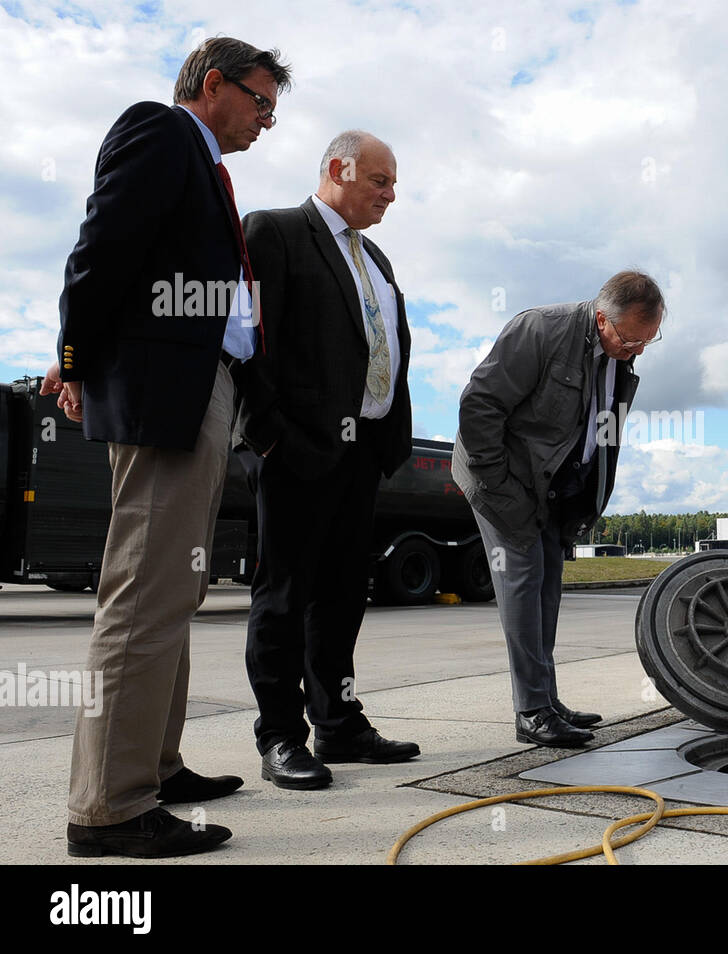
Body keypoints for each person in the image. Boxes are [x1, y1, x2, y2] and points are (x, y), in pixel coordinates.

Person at [41, 37, 291, 857]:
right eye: (260, 101)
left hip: (201, 388)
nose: (267, 119)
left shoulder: (205, 164)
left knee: (173, 589)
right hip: (164, 394)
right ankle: (108, 808)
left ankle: (156, 764)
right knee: (144, 593)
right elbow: (99, 251)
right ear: (212, 83)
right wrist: (75, 358)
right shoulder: (159, 130)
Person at [232, 131, 418, 790]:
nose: (391, 196)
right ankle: (280, 736)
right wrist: (269, 435)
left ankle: (337, 723)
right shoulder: (275, 234)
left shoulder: (378, 260)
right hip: (296, 453)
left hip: (362, 452)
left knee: (343, 597)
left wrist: (389, 439)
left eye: (392, 185)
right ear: (340, 169)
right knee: (284, 595)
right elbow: (246, 339)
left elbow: (386, 344)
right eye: (380, 182)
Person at [452, 271, 664, 747]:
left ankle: (545, 698)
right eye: (631, 339)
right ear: (602, 317)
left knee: (548, 587)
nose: (638, 351)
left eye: (649, 341)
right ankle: (531, 711)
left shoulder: (618, 356)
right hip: (505, 483)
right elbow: (479, 404)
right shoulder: (540, 330)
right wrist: (499, 486)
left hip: (552, 490)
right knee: (524, 586)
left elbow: (598, 432)